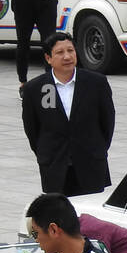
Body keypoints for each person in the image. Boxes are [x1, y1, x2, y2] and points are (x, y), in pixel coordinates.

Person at [21, 33, 116, 197]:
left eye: (70, 50)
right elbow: (32, 129)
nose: (67, 56)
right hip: (55, 165)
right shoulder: (35, 89)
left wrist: (97, 148)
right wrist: (47, 153)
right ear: (48, 58)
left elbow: (107, 122)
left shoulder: (96, 83)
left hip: (90, 162)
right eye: (59, 52)